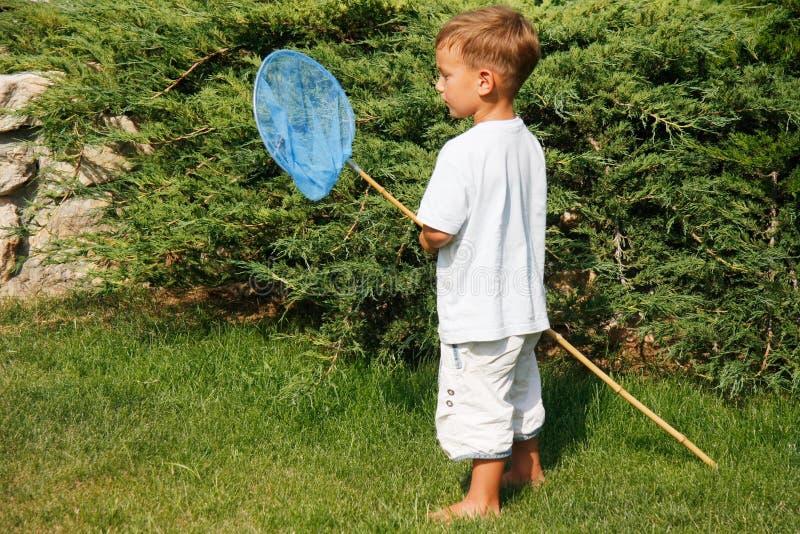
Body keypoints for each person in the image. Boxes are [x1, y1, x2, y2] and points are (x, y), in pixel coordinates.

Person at [416, 5, 549, 521]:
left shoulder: (461, 152)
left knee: (481, 399)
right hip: (523, 307)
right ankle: (527, 469)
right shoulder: (529, 144)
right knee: (519, 388)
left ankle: (483, 500)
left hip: (480, 312)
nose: (440, 86)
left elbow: (440, 230)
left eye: (446, 75)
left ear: (485, 80)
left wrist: (427, 239)